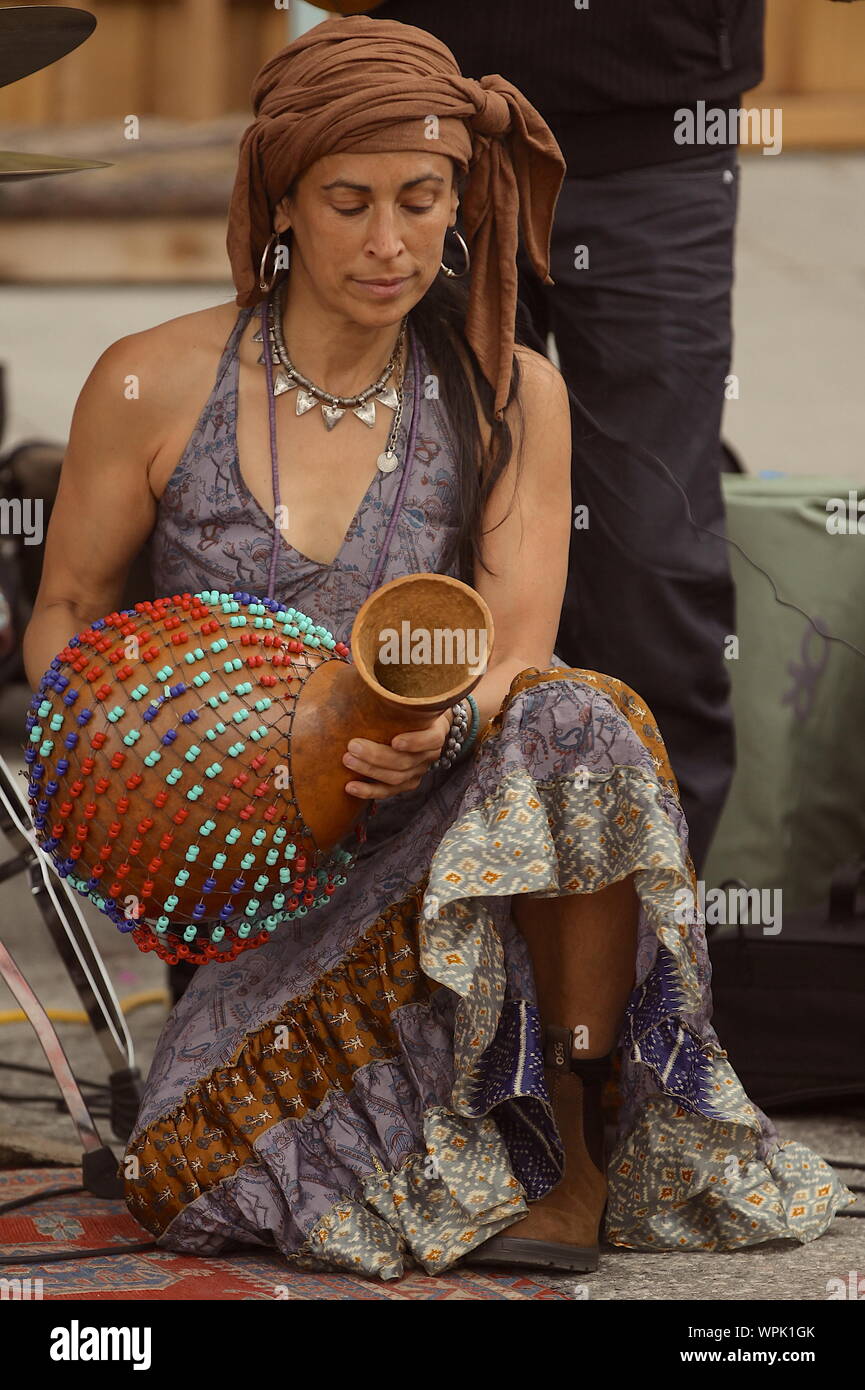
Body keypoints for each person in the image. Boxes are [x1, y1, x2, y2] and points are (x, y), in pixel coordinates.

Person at [23, 15, 851, 1280]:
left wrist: (432, 739)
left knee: (580, 715)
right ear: (281, 197)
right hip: (252, 859)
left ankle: (572, 1128)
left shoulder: (510, 388)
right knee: (201, 1179)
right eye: (348, 201)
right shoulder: (151, 379)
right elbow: (66, 616)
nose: (389, 242)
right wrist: (130, 773)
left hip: (448, 836)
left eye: (422, 199)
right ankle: (413, 1103)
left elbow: (516, 652)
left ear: (462, 201)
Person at [339, 0, 767, 876]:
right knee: (419, 539)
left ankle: (656, 940)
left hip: (659, 140)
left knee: (649, 553)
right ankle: (411, 924)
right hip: (433, 131)